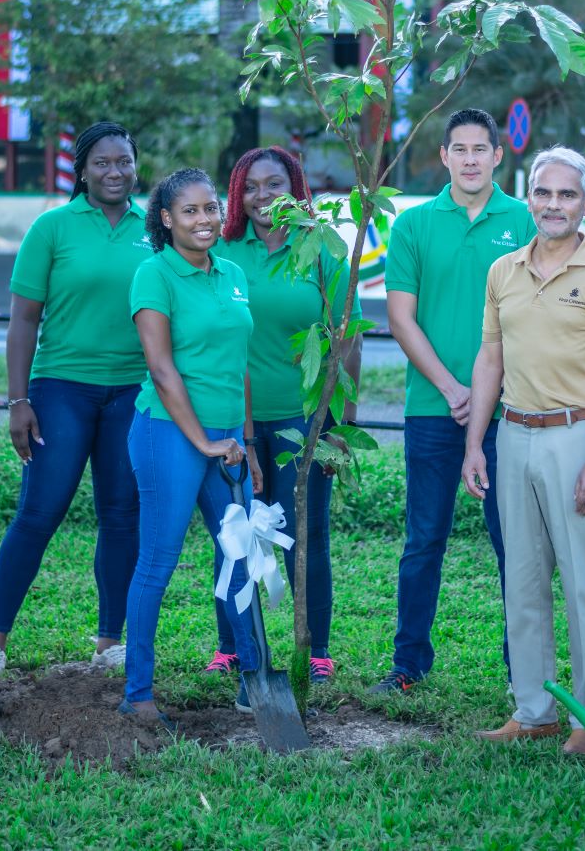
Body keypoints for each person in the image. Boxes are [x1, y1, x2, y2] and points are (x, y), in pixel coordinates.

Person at [462, 147, 585, 756]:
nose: (553, 204)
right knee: (524, 579)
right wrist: (474, 446)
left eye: (567, 195)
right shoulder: (503, 270)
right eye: (543, 192)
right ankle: (533, 709)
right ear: (528, 195)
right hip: (513, 434)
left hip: (576, 436)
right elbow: (490, 360)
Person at [372, 108, 535, 695]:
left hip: (513, 411)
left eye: (480, 149)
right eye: (458, 149)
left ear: (499, 156)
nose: (470, 159)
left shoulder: (525, 220)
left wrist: (487, 395)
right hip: (432, 410)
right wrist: (450, 386)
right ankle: (408, 661)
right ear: (442, 157)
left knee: (514, 543)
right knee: (423, 541)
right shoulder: (414, 225)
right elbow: (400, 317)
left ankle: (525, 669)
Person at [0, 123, 148, 677]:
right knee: (39, 512)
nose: (115, 172)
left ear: (136, 166)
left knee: (122, 517)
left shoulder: (158, 228)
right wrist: (17, 400)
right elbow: (23, 320)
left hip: (133, 392)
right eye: (102, 162)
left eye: (124, 161)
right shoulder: (52, 228)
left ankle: (109, 643)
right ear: (83, 169)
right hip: (62, 389)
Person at [205, 147, 361, 684]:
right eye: (251, 186)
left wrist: (339, 423)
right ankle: (232, 644)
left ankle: (313, 648)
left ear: (297, 189)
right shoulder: (222, 253)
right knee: (234, 531)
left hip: (304, 422)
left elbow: (347, 341)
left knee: (305, 534)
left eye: (276, 184)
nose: (264, 196)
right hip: (233, 422)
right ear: (236, 194)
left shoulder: (321, 252)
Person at [121, 168, 263, 727]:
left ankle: (254, 681)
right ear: (166, 218)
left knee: (242, 558)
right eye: (190, 211)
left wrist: (243, 440)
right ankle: (137, 693)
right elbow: (161, 368)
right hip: (169, 436)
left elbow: (239, 365)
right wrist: (202, 440)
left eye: (210, 209)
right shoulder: (153, 274)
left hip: (226, 441)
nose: (203, 220)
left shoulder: (231, 273)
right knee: (158, 562)